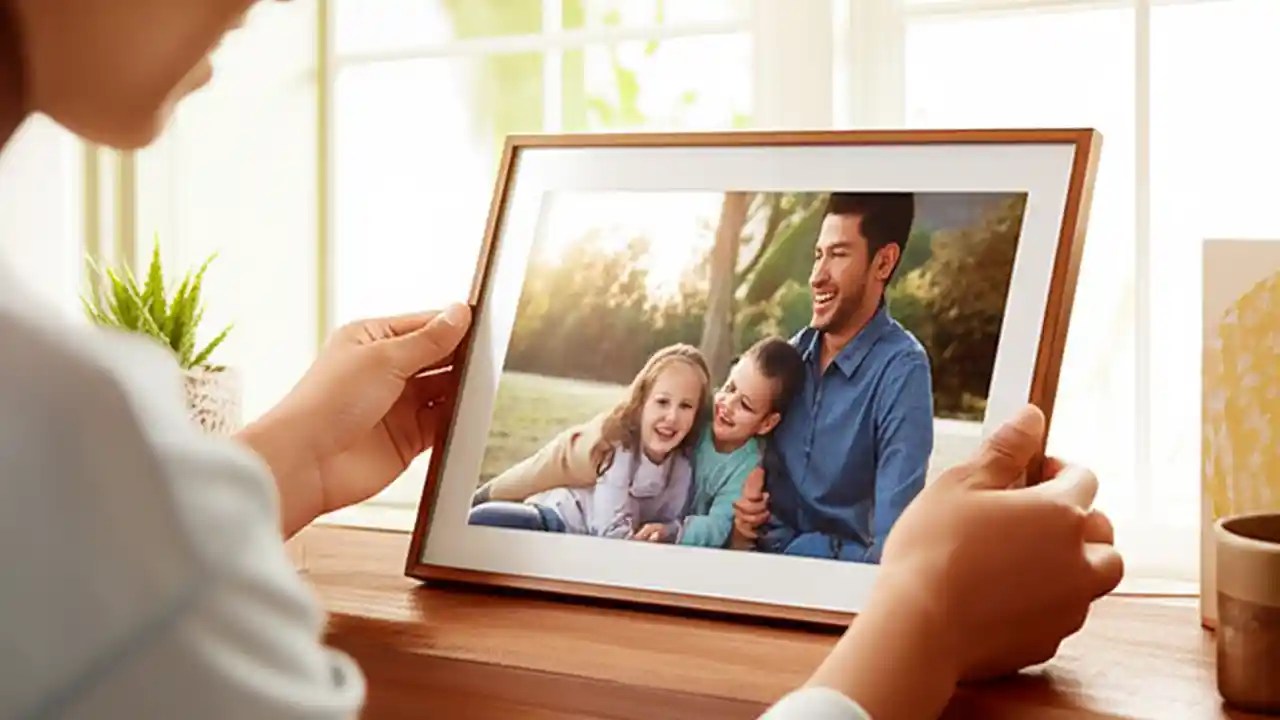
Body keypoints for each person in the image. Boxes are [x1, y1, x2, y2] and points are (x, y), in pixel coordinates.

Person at [0, 2, 1124, 719]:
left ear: (881, 263)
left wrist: (281, 462)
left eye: (840, 255)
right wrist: (917, 615)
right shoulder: (48, 420)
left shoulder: (877, 379)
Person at [733, 191, 935, 564]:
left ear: (884, 262)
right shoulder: (790, 357)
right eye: (818, 254)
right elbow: (719, 432)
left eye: (838, 255)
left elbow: (894, 546)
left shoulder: (903, 370)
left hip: (835, 584)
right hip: (756, 571)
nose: (816, 277)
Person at [468, 344, 708, 538]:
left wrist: (667, 531)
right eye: (662, 402)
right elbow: (609, 533)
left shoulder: (681, 468)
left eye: (685, 406)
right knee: (483, 520)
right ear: (642, 402)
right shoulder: (620, 449)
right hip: (555, 521)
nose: (672, 417)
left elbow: (674, 524)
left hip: (586, 549)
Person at [636, 336, 806, 547]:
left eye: (744, 404)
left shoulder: (747, 467)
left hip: (682, 547)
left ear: (767, 424)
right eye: (730, 387)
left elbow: (718, 526)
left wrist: (672, 532)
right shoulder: (698, 416)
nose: (728, 404)